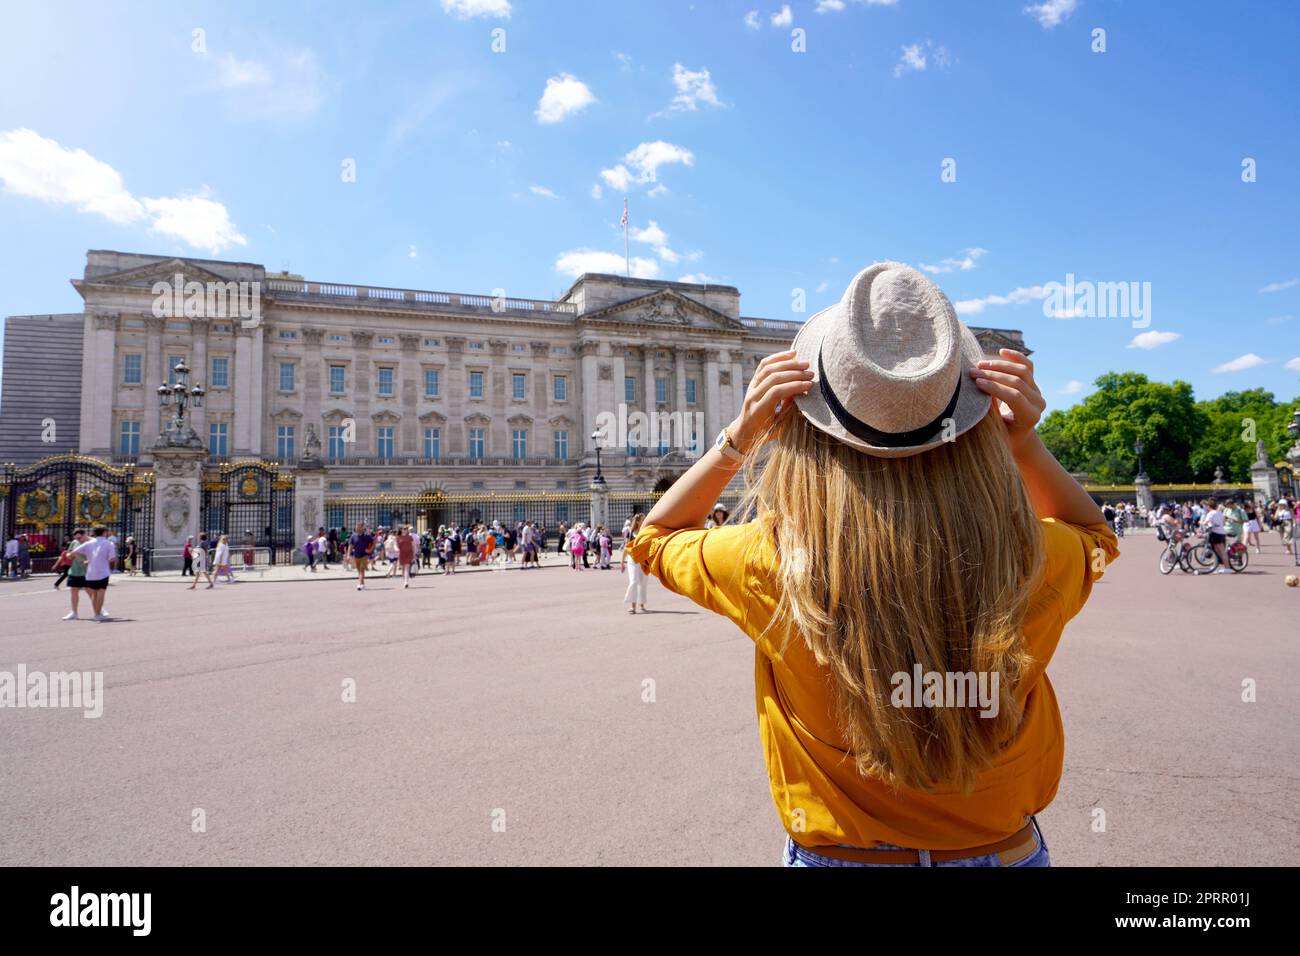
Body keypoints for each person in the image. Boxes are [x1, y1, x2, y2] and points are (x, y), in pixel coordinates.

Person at [628, 263, 1119, 867]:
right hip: (1000, 851)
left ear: (806, 424)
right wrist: (1024, 446)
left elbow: (654, 536)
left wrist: (737, 439)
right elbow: (1094, 530)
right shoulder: (1038, 559)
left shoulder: (770, 561)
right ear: (976, 419)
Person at [69, 526, 118, 622]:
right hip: (102, 571)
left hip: (90, 572)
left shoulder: (89, 543)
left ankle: (96, 614)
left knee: (94, 594)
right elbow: (112, 558)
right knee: (101, 592)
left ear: (94, 533)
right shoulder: (109, 543)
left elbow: (73, 552)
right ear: (105, 532)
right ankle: (98, 614)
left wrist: (84, 561)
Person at [619, 513, 648, 613]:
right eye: (643, 519)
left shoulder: (646, 532)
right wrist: (622, 562)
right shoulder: (630, 533)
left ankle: (642, 604)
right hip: (632, 560)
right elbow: (626, 548)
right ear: (638, 521)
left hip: (643, 560)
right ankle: (633, 606)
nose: (645, 520)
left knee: (643, 583)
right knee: (633, 581)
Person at [60, 530, 89, 618]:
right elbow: (68, 553)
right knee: (73, 591)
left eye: (79, 538)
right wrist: (70, 555)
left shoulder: (90, 543)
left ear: (84, 535)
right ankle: (74, 613)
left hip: (86, 571)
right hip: (74, 570)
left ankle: (99, 609)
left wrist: (83, 559)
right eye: (76, 538)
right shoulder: (74, 542)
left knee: (90, 592)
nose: (78, 540)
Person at [350, 523, 375, 591]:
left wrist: (370, 550)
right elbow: (351, 546)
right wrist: (348, 555)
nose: (357, 528)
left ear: (362, 528)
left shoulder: (367, 536)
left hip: (364, 555)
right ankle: (363, 584)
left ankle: (360, 584)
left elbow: (373, 542)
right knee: (359, 571)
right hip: (356, 555)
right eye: (356, 527)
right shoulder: (353, 536)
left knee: (361, 570)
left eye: (358, 527)